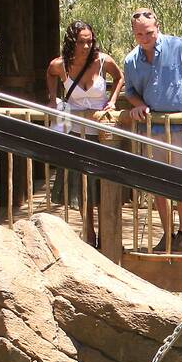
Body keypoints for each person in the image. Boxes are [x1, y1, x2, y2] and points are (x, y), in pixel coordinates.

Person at [121, 8, 182, 255]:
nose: (145, 37)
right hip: (153, 128)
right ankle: (168, 233)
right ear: (134, 33)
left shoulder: (179, 47)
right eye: (139, 34)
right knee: (158, 184)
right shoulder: (131, 60)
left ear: (158, 27)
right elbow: (129, 91)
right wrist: (138, 104)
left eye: (149, 32)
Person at [46, 21, 123, 242]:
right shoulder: (62, 65)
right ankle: (88, 231)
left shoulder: (102, 61)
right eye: (82, 41)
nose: (87, 46)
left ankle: (108, 232)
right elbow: (50, 73)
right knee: (81, 184)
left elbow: (120, 77)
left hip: (102, 132)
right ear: (73, 41)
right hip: (76, 132)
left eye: (90, 41)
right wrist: (53, 99)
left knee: (102, 183)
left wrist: (113, 100)